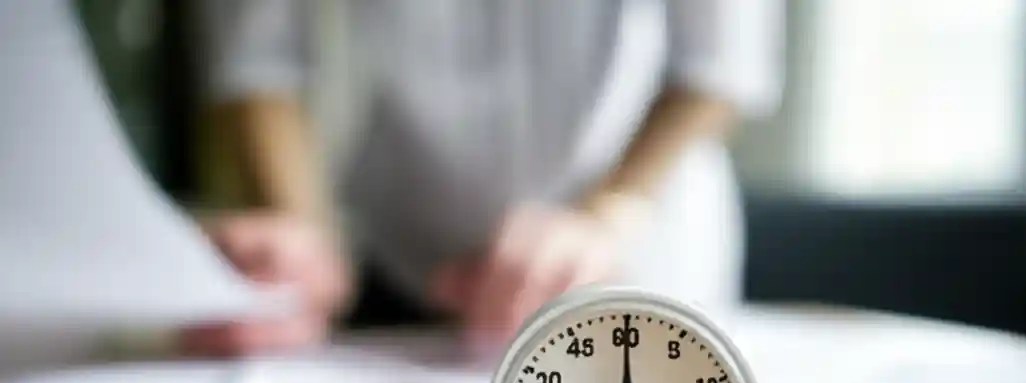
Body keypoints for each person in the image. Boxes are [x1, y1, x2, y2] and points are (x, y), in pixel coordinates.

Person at [189, 0, 782, 356]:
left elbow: (720, 67)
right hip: (409, 266)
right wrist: (304, 234)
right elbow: (259, 59)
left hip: (639, 256)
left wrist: (608, 212)